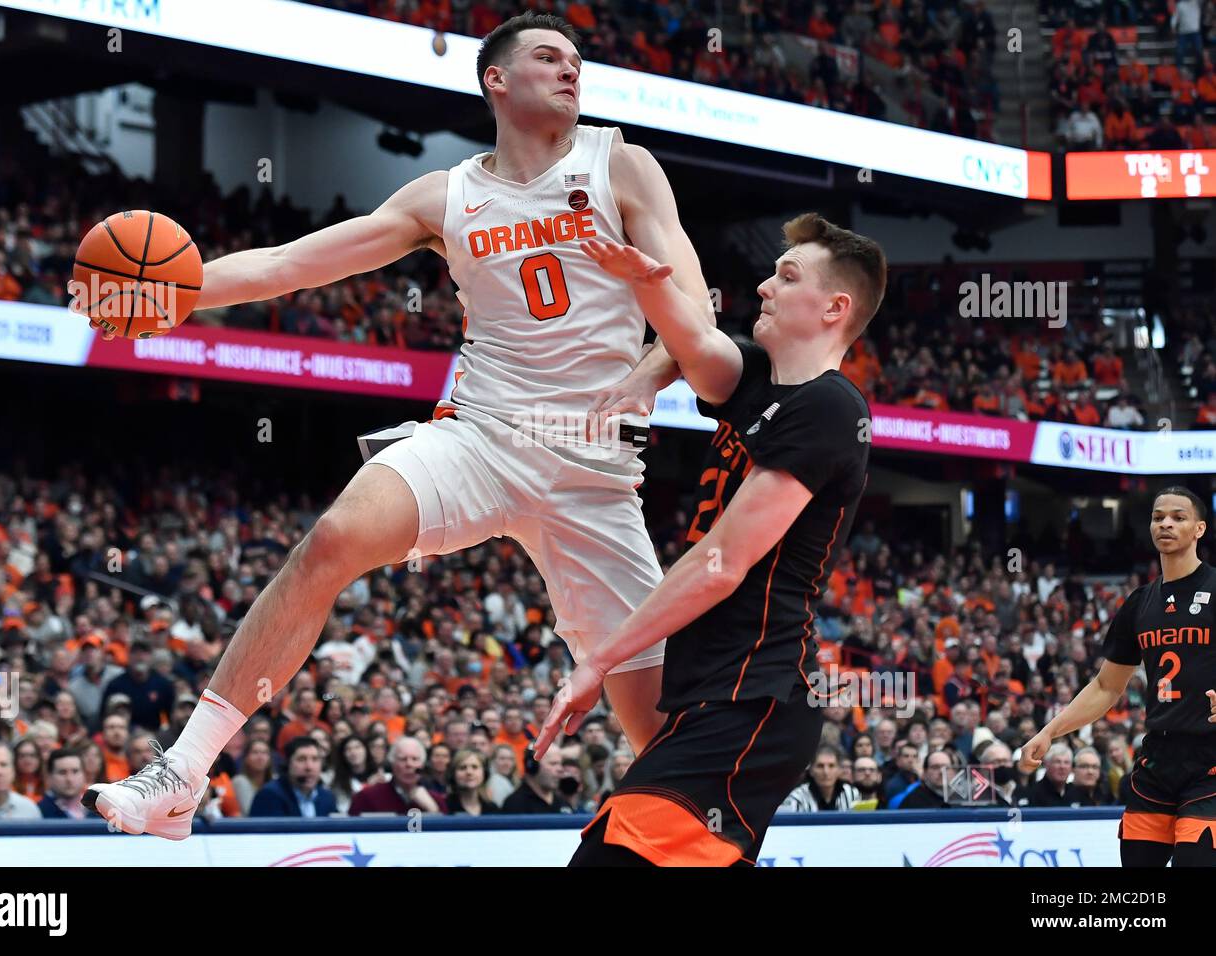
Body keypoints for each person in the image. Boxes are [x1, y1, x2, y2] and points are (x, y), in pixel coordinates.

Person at [86, 10, 724, 840]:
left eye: (578, 60)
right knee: (332, 540)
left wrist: (650, 368)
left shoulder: (625, 166)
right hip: (482, 435)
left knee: (656, 729)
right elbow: (291, 265)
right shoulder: (445, 196)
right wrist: (166, 291)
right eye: (548, 56)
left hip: (593, 472)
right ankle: (182, 773)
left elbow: (695, 318)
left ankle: (709, 850)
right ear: (496, 79)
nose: (573, 70)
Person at [538, 214, 885, 865]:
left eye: (786, 276)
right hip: (713, 693)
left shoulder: (833, 408)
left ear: (836, 307)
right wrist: (649, 345)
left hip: (756, 695)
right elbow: (693, 338)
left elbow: (720, 565)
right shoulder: (756, 378)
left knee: (607, 857)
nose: (763, 286)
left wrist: (600, 660)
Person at [1021, 487, 1216, 866]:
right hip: (1157, 761)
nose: (1166, 524)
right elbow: (1106, 687)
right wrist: (1050, 731)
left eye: (1178, 517)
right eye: (1158, 517)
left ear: (1199, 529)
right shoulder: (1139, 603)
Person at [348, 737, 446, 815]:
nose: (409, 765)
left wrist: (433, 811)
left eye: (415, 759)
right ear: (392, 764)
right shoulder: (366, 798)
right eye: (403, 759)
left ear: (422, 765)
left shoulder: (437, 801)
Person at [249, 737, 337, 818]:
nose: (309, 767)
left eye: (315, 759)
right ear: (288, 764)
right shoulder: (270, 795)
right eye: (301, 759)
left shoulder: (327, 797)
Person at [780, 745, 862, 811]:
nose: (826, 772)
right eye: (820, 766)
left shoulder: (852, 794)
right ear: (811, 770)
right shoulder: (797, 798)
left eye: (831, 766)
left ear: (839, 770)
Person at [501, 745, 572, 814]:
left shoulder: (564, 804)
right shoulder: (515, 804)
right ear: (532, 767)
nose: (560, 769)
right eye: (553, 764)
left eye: (560, 764)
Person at [38, 748, 98, 819]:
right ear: (49, 776)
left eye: (75, 771)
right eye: (62, 772)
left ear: (84, 774)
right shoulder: (39, 813)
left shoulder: (100, 810)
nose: (69, 779)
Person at [446, 748, 499, 816]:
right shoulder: (444, 806)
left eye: (475, 767)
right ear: (453, 774)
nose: (469, 772)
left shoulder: (492, 809)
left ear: (484, 773)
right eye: (462, 768)